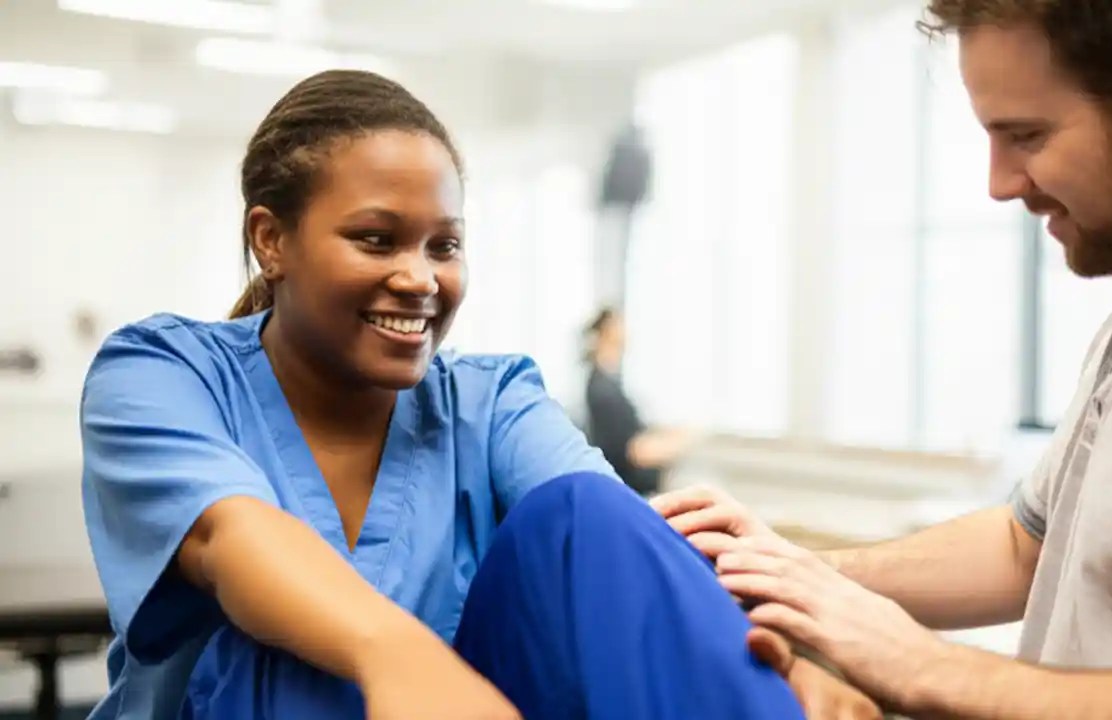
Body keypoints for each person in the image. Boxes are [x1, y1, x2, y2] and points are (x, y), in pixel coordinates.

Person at [78, 69, 876, 719]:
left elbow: (617, 543)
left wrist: (756, 662)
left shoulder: (490, 400)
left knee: (584, 516)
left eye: (445, 245)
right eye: (376, 238)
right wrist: (395, 655)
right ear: (271, 239)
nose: (421, 278)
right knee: (293, 652)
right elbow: (228, 538)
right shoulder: (160, 373)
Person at [655, 1, 1112, 718]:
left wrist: (915, 662)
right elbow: (1026, 548)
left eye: (1027, 136)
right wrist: (802, 575)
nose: (1001, 182)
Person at [582, 307, 695, 496]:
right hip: (626, 489)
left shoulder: (610, 383)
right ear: (606, 332)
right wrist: (680, 444)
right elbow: (633, 451)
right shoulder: (603, 390)